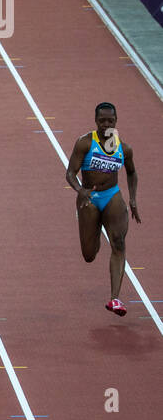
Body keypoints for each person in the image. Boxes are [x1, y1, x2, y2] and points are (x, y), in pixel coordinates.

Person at [65, 103, 140, 316]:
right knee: (89, 255)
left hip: (111, 195)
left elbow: (132, 173)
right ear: (96, 121)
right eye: (102, 121)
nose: (106, 124)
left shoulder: (124, 148)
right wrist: (80, 190)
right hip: (89, 197)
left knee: (118, 242)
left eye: (110, 120)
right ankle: (94, 227)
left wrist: (132, 199)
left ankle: (115, 298)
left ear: (116, 121)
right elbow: (70, 173)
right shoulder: (85, 143)